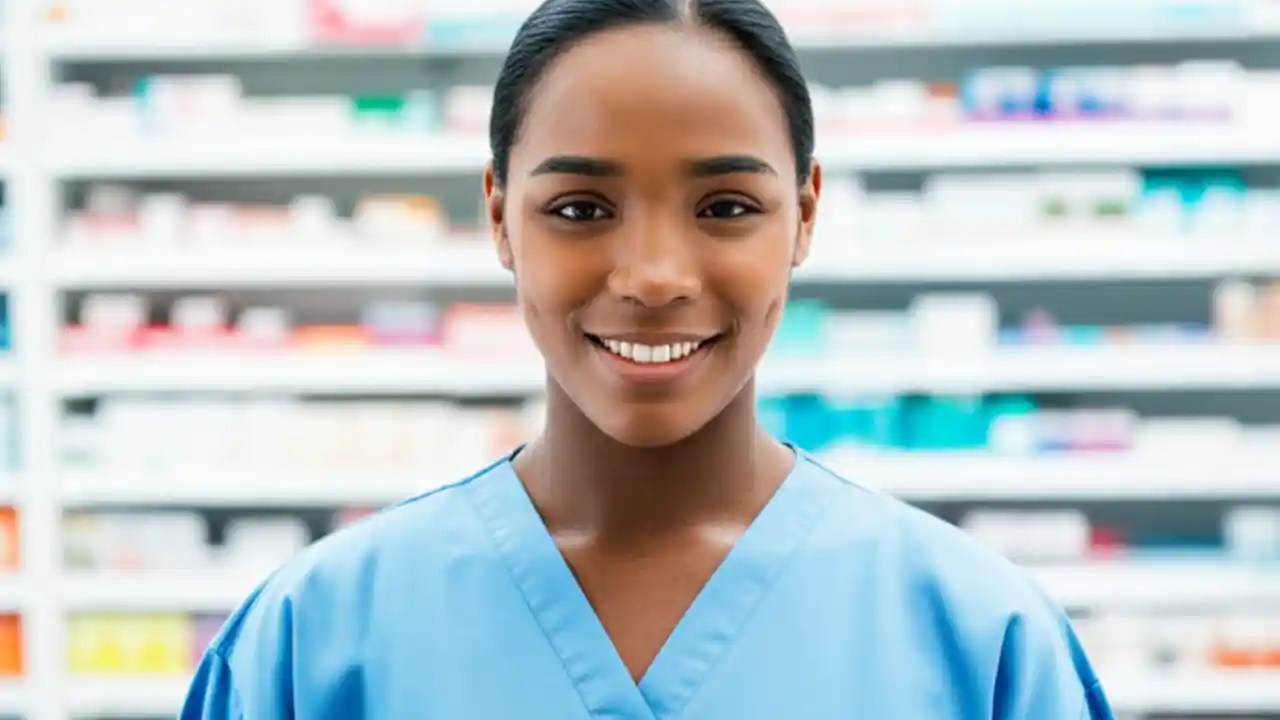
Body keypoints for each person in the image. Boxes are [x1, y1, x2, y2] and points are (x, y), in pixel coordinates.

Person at [182, 0, 1114, 717]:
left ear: (808, 213)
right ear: (499, 216)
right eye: (582, 208)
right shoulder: (315, 639)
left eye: (726, 208)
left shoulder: (980, 642)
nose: (655, 277)